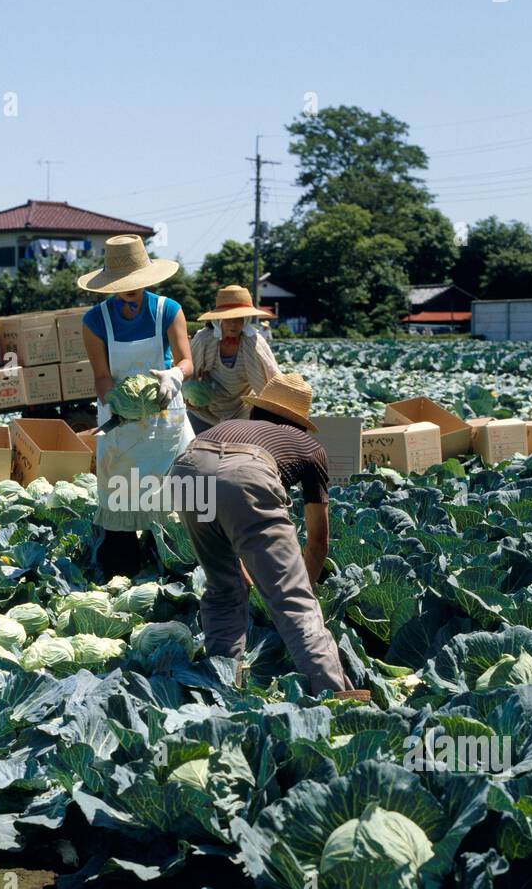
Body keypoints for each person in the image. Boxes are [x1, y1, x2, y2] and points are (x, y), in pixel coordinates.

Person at [168, 372, 363, 699]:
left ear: (257, 410)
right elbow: (317, 539)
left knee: (223, 587)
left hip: (188, 469)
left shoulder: (233, 424)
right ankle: (338, 698)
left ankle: (221, 684)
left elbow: (229, 514)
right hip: (246, 475)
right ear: (300, 422)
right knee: (294, 603)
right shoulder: (310, 447)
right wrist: (300, 589)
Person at [79, 235, 194, 578]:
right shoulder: (94, 321)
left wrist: (175, 375)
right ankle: (119, 558)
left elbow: (188, 361)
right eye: (123, 284)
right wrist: (116, 402)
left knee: (174, 506)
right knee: (121, 506)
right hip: (120, 421)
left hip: (165, 417)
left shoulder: (168, 310)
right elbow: (101, 376)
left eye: (136, 282)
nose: (130, 289)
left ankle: (169, 559)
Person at [186, 285, 279, 434]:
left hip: (244, 412)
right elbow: (189, 373)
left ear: (246, 320)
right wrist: (192, 395)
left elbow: (272, 378)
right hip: (206, 412)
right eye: (229, 319)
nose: (234, 324)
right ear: (219, 319)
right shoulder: (204, 340)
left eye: (239, 319)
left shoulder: (254, 342)